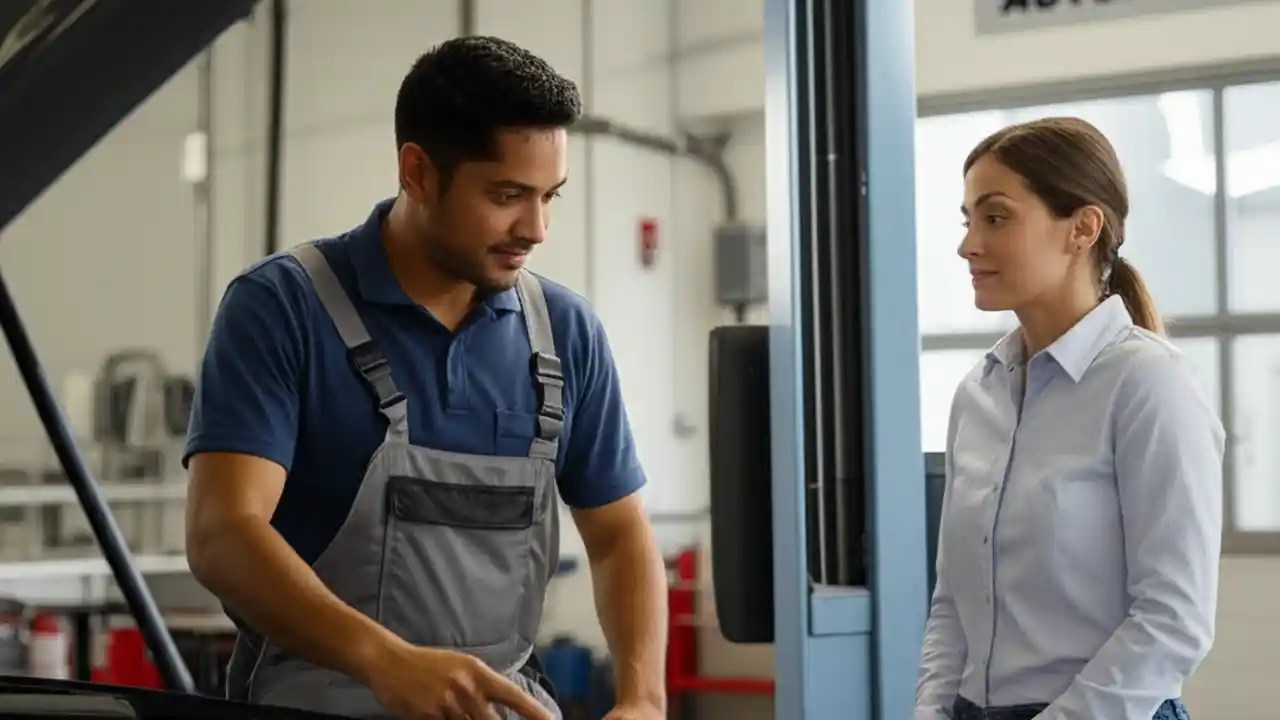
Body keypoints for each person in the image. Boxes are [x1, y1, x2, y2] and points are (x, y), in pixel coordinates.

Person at [183, 36, 668, 720]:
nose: (535, 228)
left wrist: (643, 698)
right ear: (417, 172)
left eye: (549, 196)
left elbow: (619, 535)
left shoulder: (564, 331)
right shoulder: (283, 308)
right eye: (506, 195)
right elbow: (222, 530)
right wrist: (383, 659)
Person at [914, 117, 1224, 720]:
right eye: (968, 219)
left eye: (995, 217)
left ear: (1083, 228)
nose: (968, 244)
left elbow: (1173, 618)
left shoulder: (1147, 384)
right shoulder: (978, 394)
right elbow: (954, 600)